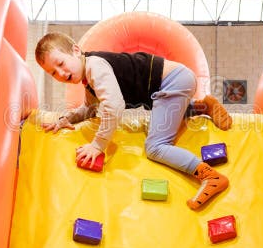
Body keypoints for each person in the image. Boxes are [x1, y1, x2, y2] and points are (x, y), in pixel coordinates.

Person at [35, 31, 232, 210]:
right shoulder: (89, 79)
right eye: (53, 73)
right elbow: (90, 109)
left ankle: (210, 176)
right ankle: (201, 107)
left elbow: (114, 106)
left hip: (173, 81)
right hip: (169, 86)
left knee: (156, 146)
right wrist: (63, 119)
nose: (60, 74)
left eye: (60, 64)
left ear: (76, 51)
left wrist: (97, 145)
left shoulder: (95, 67)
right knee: (160, 115)